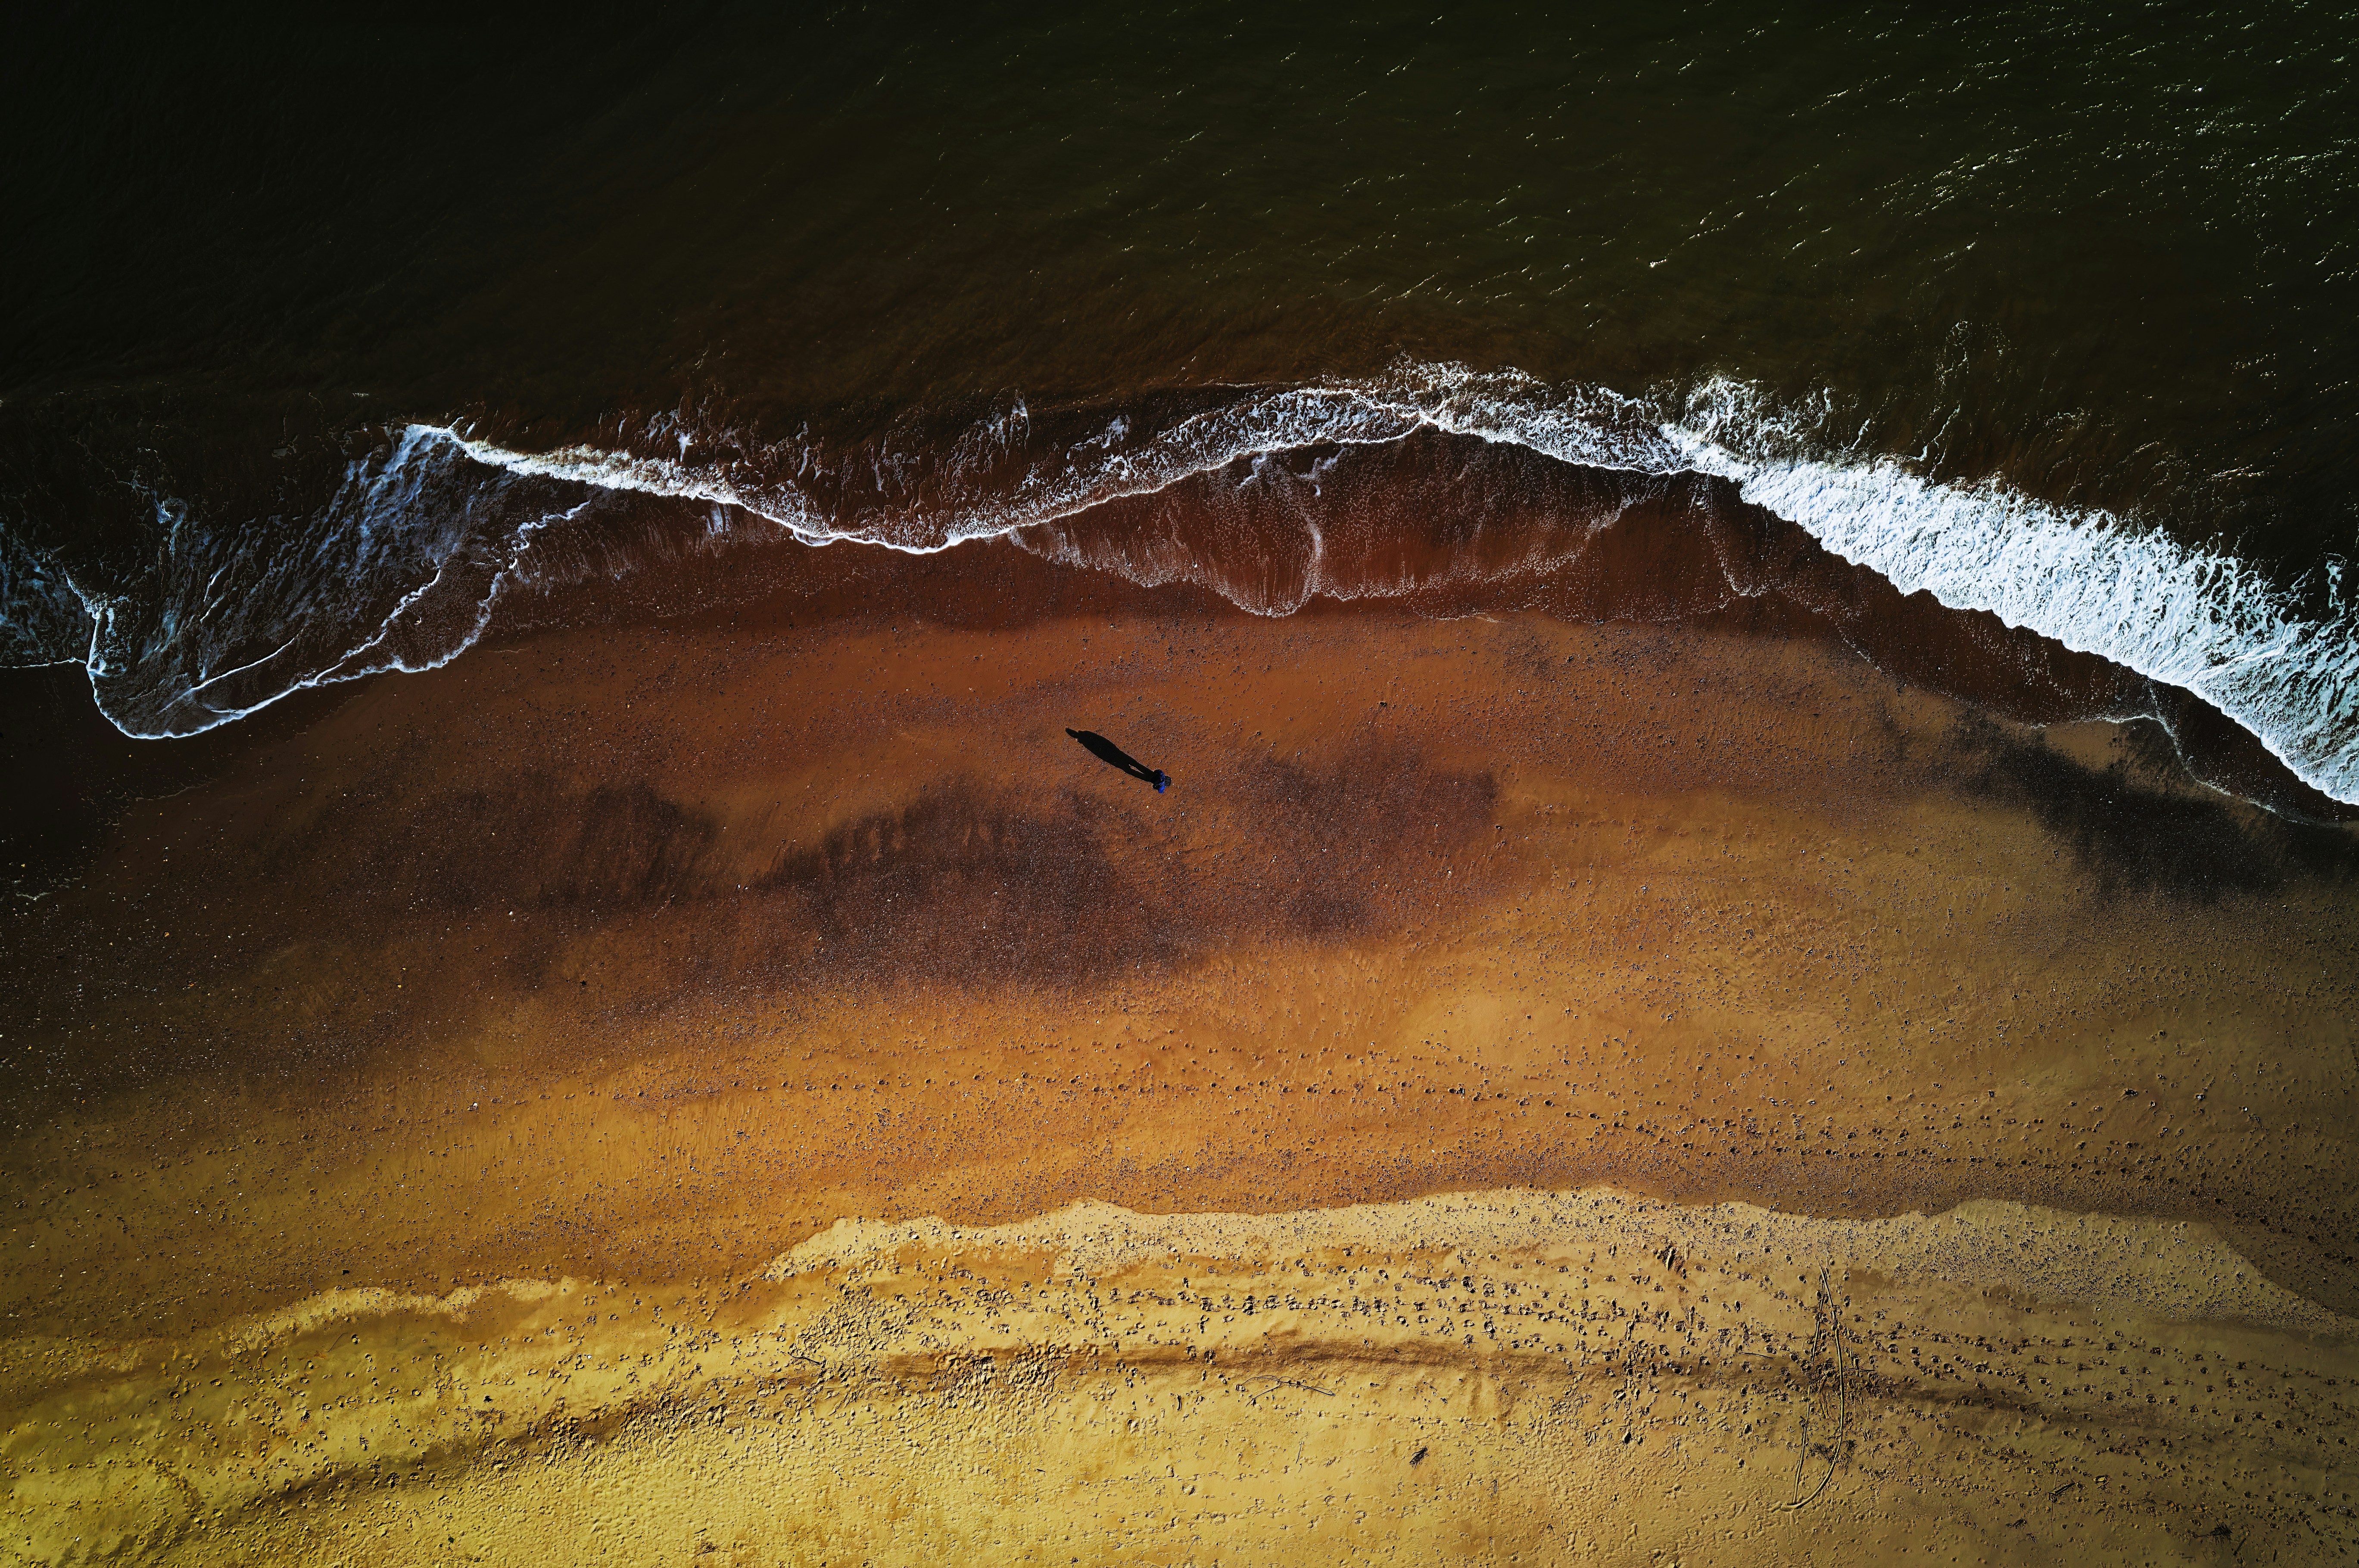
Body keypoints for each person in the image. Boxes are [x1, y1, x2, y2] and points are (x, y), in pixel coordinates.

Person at [1066, 728, 1171, 792]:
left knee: (1130, 762)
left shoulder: (1158, 776)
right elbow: (1156, 786)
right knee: (1125, 765)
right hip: (1114, 757)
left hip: (1120, 756)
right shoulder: (1156, 780)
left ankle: (1121, 760)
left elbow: (1157, 772)